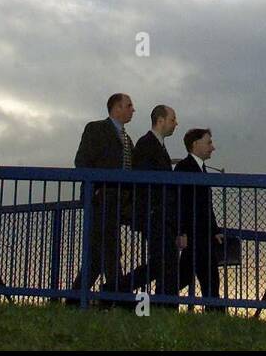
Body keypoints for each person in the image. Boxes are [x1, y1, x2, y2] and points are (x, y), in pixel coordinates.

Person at [71, 93, 137, 305]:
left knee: (98, 256)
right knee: (109, 250)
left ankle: (73, 301)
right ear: (116, 108)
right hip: (101, 200)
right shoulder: (96, 129)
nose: (132, 110)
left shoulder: (127, 139)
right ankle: (119, 299)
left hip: (118, 202)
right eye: (129, 106)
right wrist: (97, 189)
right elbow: (82, 160)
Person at [128, 105, 188, 296]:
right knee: (165, 261)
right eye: (172, 119)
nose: (176, 123)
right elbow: (146, 182)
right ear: (160, 120)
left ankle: (115, 290)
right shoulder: (147, 144)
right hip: (155, 214)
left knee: (161, 262)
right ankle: (165, 303)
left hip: (158, 214)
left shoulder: (156, 145)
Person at [175, 128, 224, 312]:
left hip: (201, 236)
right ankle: (159, 302)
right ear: (195, 144)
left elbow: (205, 206)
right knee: (198, 278)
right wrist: (182, 232)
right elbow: (181, 203)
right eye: (208, 142)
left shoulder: (198, 168)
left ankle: (159, 303)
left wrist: (214, 230)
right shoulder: (184, 168)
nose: (212, 147)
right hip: (194, 235)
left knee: (204, 278)